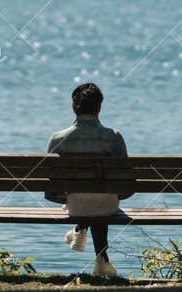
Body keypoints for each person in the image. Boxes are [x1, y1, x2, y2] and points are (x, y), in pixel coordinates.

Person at [46, 81, 133, 279]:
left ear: (73, 107)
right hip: (107, 205)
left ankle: (81, 229)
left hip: (76, 205)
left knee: (88, 198)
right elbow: (126, 183)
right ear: (99, 107)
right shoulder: (114, 137)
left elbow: (51, 188)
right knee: (100, 198)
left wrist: (67, 200)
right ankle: (102, 260)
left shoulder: (57, 138)